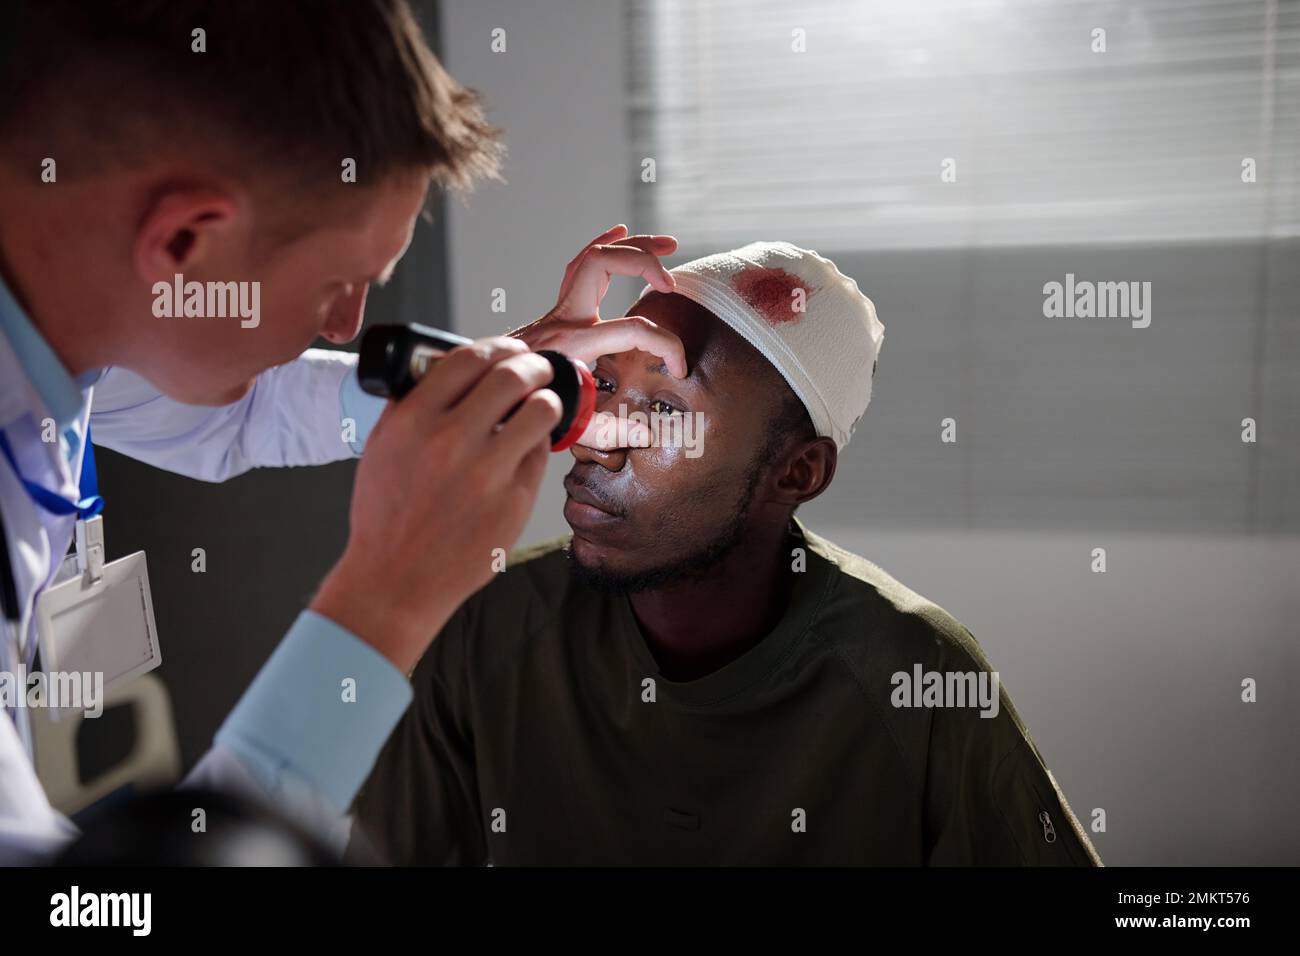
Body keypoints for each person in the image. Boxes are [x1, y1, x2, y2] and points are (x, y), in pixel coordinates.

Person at [0, 0, 685, 862]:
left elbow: (239, 410)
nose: (344, 326)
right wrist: (385, 605)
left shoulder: (64, 318)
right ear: (182, 239)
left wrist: (480, 382)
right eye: (342, 282)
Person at [349, 241, 1103, 866]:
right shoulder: (486, 624)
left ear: (795, 472)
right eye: (604, 382)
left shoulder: (916, 672)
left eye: (667, 411)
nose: (596, 437)